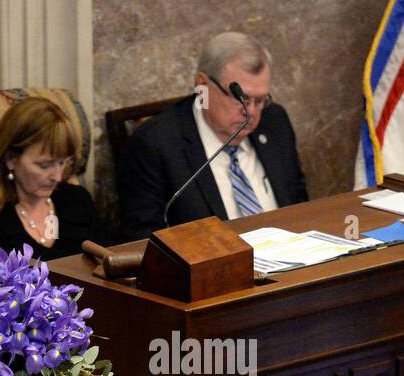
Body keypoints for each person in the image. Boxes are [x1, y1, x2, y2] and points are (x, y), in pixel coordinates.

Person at [117, 31, 308, 241]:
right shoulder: (155, 144)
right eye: (240, 98)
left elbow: (300, 207)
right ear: (202, 86)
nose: (251, 112)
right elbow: (142, 241)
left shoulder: (274, 122)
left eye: (260, 100)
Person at [0, 97, 97, 266]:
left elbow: (108, 265)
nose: (57, 177)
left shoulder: (78, 200)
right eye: (44, 165)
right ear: (10, 159)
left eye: (62, 162)